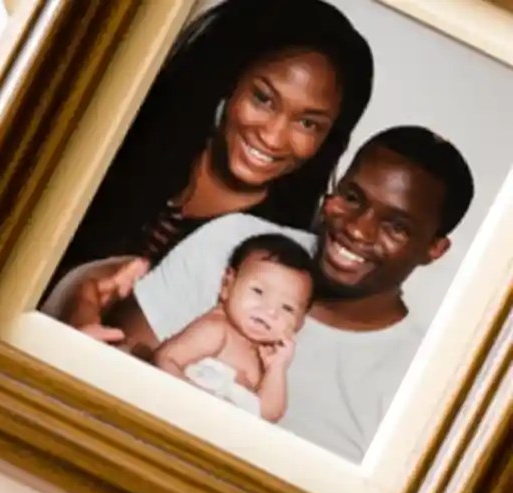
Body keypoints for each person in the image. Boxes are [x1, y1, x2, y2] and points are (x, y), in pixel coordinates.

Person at [62, 125, 475, 462]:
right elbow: (111, 374)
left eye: (396, 227)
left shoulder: (418, 381)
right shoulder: (240, 243)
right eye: (351, 198)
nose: (357, 229)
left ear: (434, 250)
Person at [41, 0, 374, 309]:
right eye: (263, 99)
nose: (272, 138)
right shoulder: (125, 140)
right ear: (230, 84)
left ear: (329, 138)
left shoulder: (283, 257)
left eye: (307, 123)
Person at [152, 233, 315, 423]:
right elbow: (165, 358)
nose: (270, 311)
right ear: (227, 285)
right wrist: (193, 401)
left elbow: (268, 414)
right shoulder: (217, 330)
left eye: (287, 307)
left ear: (299, 323)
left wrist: (277, 368)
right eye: (258, 291)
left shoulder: (265, 359)